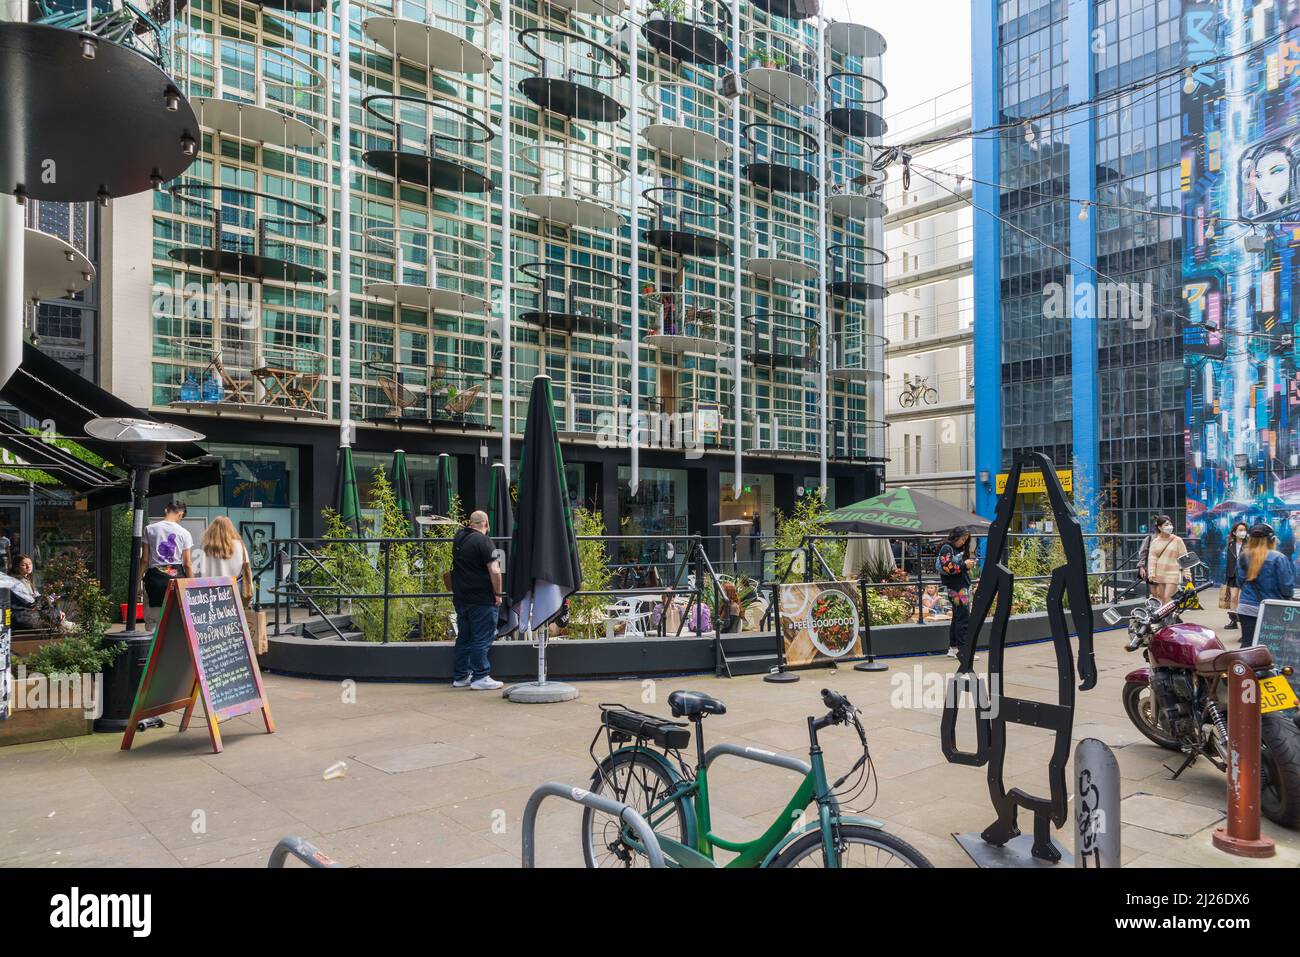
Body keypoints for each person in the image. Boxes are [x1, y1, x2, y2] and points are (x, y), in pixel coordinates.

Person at [450, 510, 503, 690]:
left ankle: (461, 676)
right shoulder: (484, 541)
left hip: (461, 597)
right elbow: (495, 570)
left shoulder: (459, 538)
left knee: (464, 638)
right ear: (486, 524)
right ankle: (480, 676)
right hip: (481, 598)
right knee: (482, 638)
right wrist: (498, 593)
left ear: (471, 523)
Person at [1236, 523, 1296, 647]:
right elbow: (1287, 588)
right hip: (1272, 609)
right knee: (1272, 646)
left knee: (1248, 645)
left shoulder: (1243, 557)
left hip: (1246, 608)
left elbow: (1240, 583)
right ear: (1272, 540)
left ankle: (1244, 666)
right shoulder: (1279, 558)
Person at [141, 501, 194, 628]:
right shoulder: (185, 533)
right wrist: (192, 585)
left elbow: (144, 560)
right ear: (180, 514)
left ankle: (151, 647)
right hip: (175, 579)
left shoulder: (149, 529)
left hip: (154, 579)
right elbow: (187, 564)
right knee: (174, 620)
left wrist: (137, 583)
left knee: (153, 621)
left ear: (166, 510)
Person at [937, 527, 978, 664]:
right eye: (962, 538)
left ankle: (954, 648)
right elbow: (948, 568)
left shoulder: (958, 549)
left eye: (966, 539)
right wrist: (965, 565)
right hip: (956, 587)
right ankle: (962, 650)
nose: (963, 541)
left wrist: (969, 563)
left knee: (958, 617)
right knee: (963, 618)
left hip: (961, 585)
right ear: (955, 536)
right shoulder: (946, 548)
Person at [198, 516, 252, 606]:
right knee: (234, 615)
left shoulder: (206, 546)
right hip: (234, 587)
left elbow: (202, 569)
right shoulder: (239, 545)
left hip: (210, 588)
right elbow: (246, 568)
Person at [5, 554, 63, 630]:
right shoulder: (18, 582)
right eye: (23, 565)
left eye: (29, 564)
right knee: (59, 624)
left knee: (56, 617)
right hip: (21, 618)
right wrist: (51, 605)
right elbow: (32, 604)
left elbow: (35, 599)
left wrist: (49, 599)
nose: (28, 566)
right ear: (16, 568)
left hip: (24, 617)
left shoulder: (26, 580)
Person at [1144, 514, 1188, 602]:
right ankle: (1168, 615)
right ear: (1160, 527)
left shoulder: (1177, 540)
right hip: (1160, 573)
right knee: (1162, 598)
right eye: (1166, 525)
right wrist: (1151, 573)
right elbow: (1152, 559)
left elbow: (1184, 558)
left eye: (1170, 524)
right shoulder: (1155, 541)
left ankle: (1169, 615)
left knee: (1168, 596)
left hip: (1173, 573)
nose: (1170, 527)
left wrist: (1187, 573)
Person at [1223, 521, 1248, 629]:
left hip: (1246, 574)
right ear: (1234, 532)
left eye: (1244, 530)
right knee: (1233, 598)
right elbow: (1229, 561)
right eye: (1240, 530)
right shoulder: (1230, 544)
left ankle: (1246, 621)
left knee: (1245, 599)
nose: (1243, 532)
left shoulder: (1249, 544)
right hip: (1233, 574)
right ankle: (1233, 621)